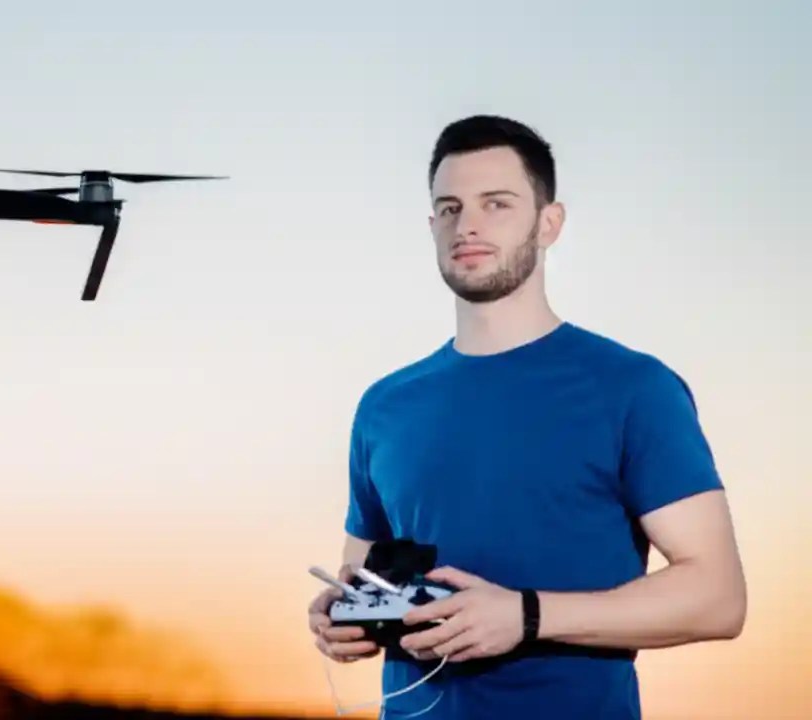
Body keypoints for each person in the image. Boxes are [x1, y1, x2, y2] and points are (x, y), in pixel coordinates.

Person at [306, 114, 747, 719]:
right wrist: (343, 619)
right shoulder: (385, 406)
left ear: (549, 223)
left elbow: (718, 598)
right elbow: (363, 576)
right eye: (450, 207)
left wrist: (527, 617)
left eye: (497, 204)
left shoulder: (633, 388)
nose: (469, 225)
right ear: (431, 224)